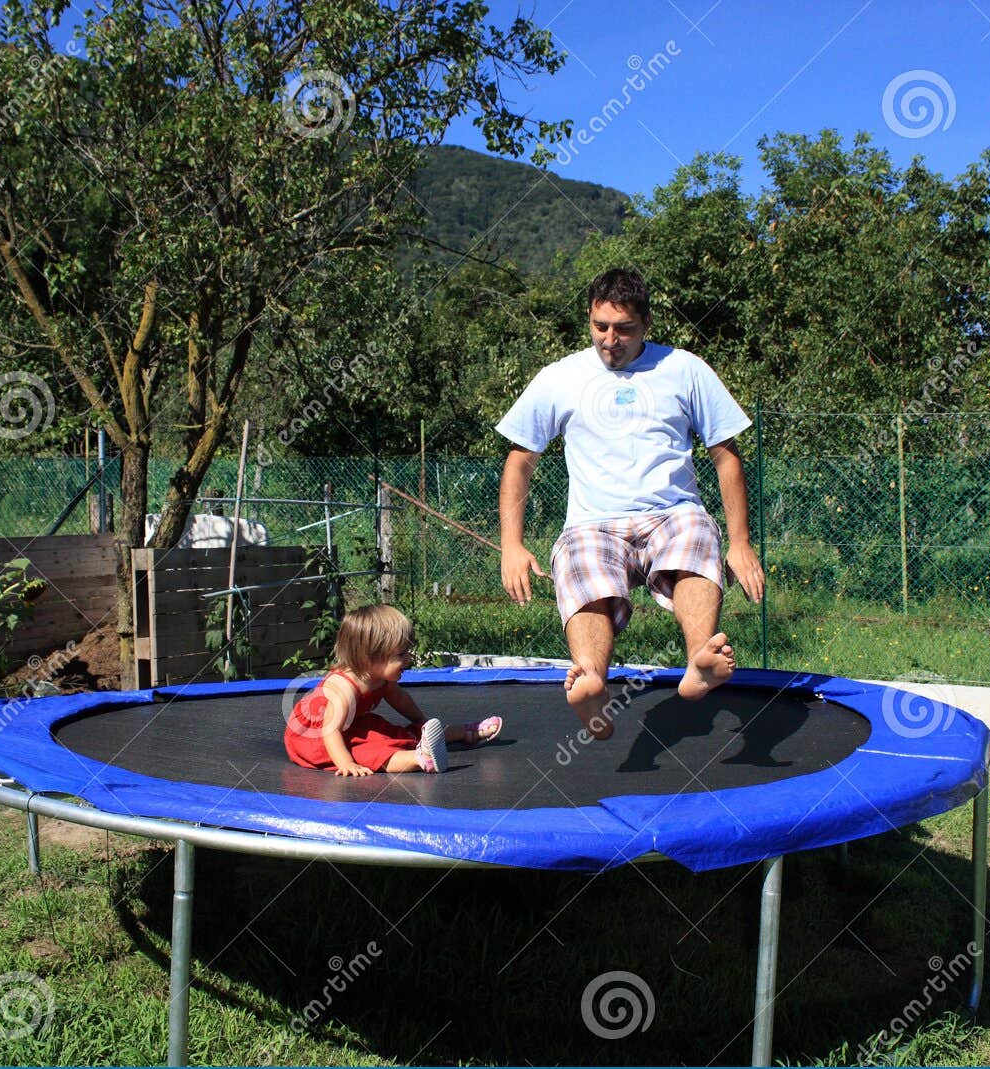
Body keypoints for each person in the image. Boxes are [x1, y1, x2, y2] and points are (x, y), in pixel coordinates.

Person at [496, 268, 765, 738]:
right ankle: (592, 681)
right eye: (601, 326)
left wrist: (740, 543)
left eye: (624, 329)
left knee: (697, 534)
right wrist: (511, 545)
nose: (610, 340)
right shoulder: (560, 377)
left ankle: (701, 660)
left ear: (647, 324)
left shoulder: (684, 369)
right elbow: (520, 462)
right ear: (589, 318)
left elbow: (726, 456)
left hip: (671, 513)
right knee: (580, 562)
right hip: (593, 523)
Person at [284, 603, 504, 776]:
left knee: (396, 735)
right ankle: (420, 759)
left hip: (351, 725)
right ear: (368, 658)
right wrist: (347, 763)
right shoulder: (344, 690)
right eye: (401, 655)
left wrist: (422, 723)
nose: (408, 659)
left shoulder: (380, 677)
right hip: (315, 737)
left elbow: (401, 700)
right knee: (369, 751)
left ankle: (461, 733)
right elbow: (330, 731)